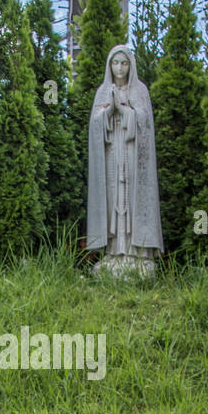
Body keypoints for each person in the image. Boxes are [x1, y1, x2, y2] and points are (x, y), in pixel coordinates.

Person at [86, 45, 163, 266]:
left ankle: (136, 252)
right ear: (110, 65)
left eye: (124, 63)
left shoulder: (140, 91)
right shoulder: (103, 91)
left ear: (131, 66)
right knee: (113, 197)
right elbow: (95, 125)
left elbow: (145, 124)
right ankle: (114, 251)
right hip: (111, 152)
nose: (120, 68)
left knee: (133, 197)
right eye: (115, 63)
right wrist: (109, 111)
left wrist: (126, 111)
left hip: (132, 151)